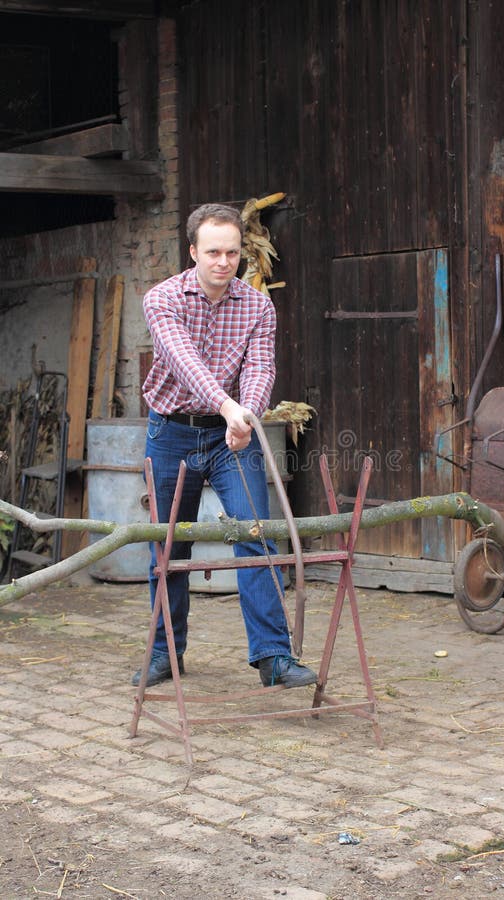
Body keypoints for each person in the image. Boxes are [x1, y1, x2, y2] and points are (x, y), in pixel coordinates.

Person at [133, 203, 317, 690]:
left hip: (229, 434)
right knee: (169, 545)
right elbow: (183, 361)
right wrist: (226, 405)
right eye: (213, 251)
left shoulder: (257, 305)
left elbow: (260, 368)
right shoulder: (163, 299)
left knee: (256, 532)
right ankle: (163, 654)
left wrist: (247, 415)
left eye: (232, 252)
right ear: (193, 251)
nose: (223, 261)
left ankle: (274, 657)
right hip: (170, 432)